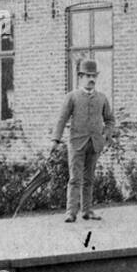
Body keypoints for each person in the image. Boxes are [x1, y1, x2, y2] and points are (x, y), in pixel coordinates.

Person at [51, 58, 115, 222]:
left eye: (94, 76)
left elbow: (109, 120)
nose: (91, 79)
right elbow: (62, 119)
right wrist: (55, 140)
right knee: (75, 178)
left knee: (89, 179)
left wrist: (106, 134)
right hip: (77, 143)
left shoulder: (102, 98)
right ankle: (71, 212)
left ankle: (87, 210)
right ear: (80, 77)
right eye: (87, 76)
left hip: (94, 143)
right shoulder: (72, 97)